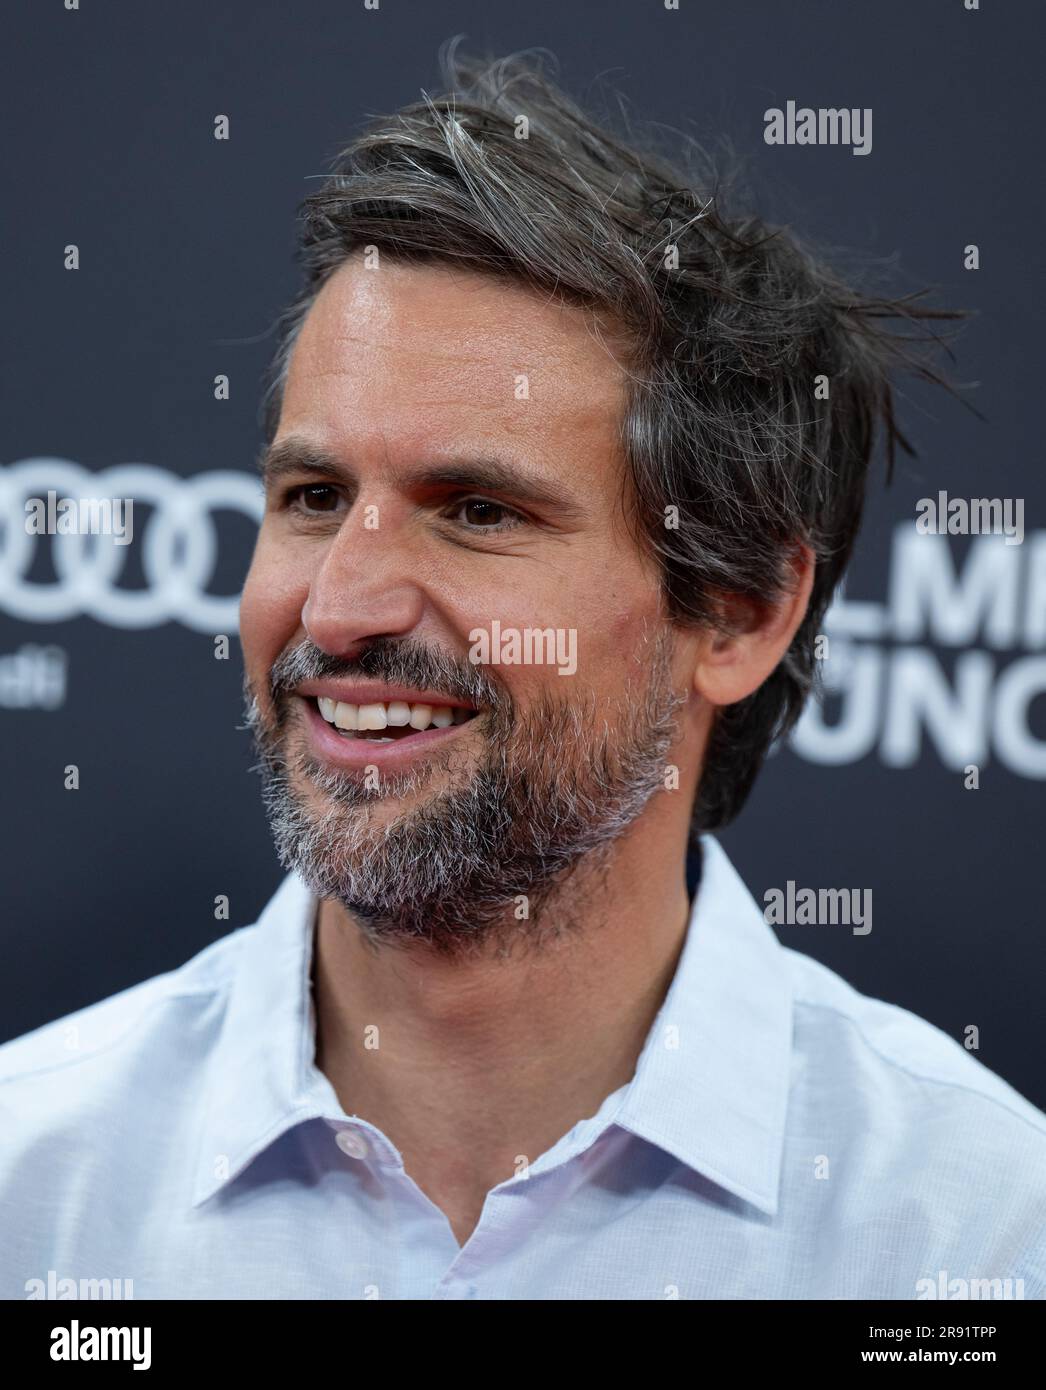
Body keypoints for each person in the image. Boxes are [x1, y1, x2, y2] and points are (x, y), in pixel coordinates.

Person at [3, 44, 1044, 1301]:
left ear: (741, 611)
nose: (338, 605)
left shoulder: (974, 1237)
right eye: (314, 496)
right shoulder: (34, 1187)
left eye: (479, 511)